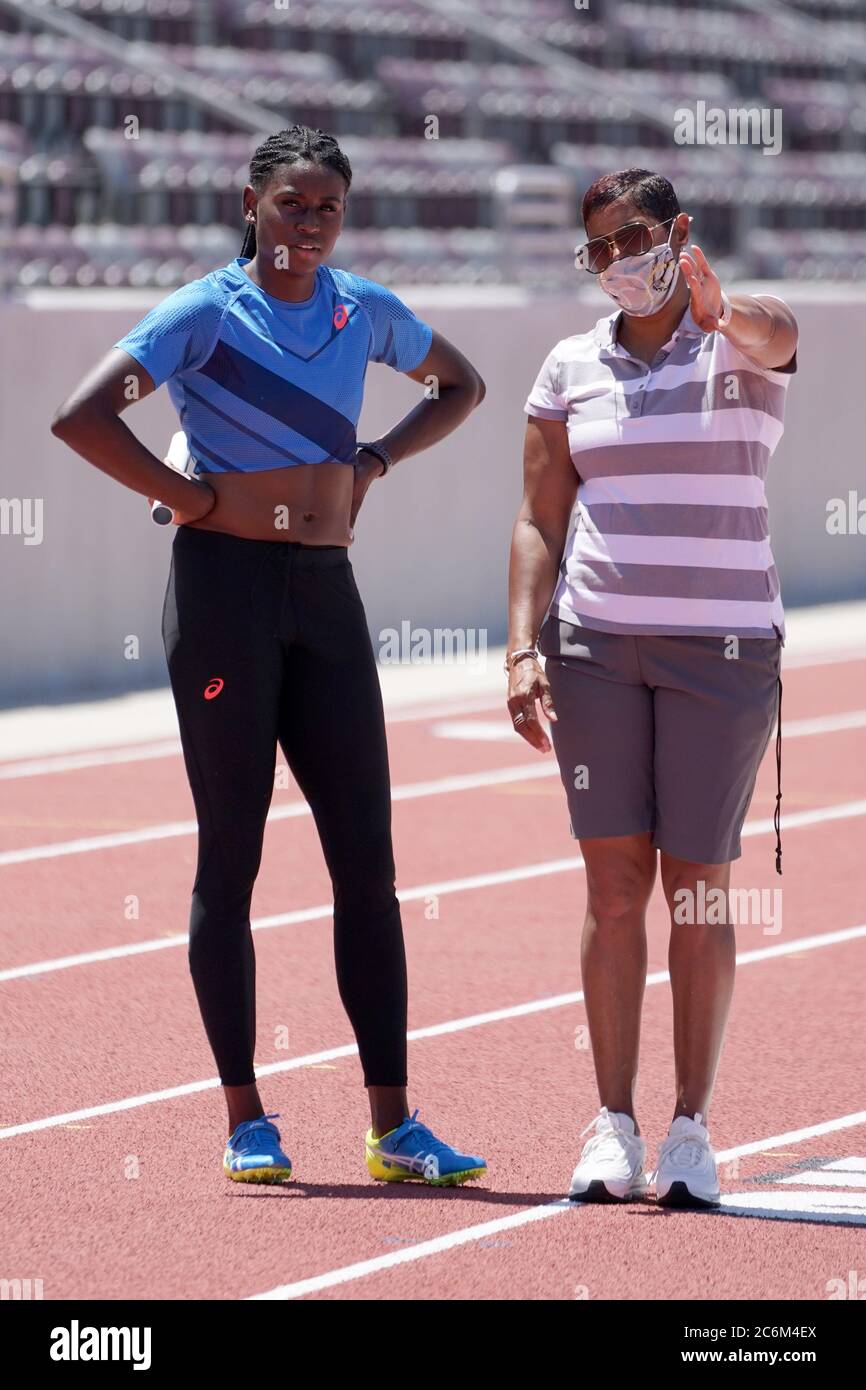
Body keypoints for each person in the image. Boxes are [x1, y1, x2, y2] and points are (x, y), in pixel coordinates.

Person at [51, 125, 488, 1188]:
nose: (310, 224)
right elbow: (79, 416)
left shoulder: (361, 309)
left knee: (367, 866)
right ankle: (246, 1114)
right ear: (251, 203)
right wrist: (190, 497)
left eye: (327, 208)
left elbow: (459, 385)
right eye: (291, 204)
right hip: (223, 598)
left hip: (323, 596)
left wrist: (375, 459)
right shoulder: (204, 310)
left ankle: (393, 1127)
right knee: (230, 857)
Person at [506, 168, 797, 1208]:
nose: (616, 264)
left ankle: (690, 1127)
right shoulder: (567, 363)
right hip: (595, 649)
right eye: (595, 250)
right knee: (612, 887)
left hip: (719, 653)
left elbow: (773, 330)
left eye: (631, 240)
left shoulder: (737, 340)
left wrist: (724, 309)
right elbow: (540, 516)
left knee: (697, 884)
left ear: (675, 233)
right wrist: (519, 644)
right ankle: (612, 1124)